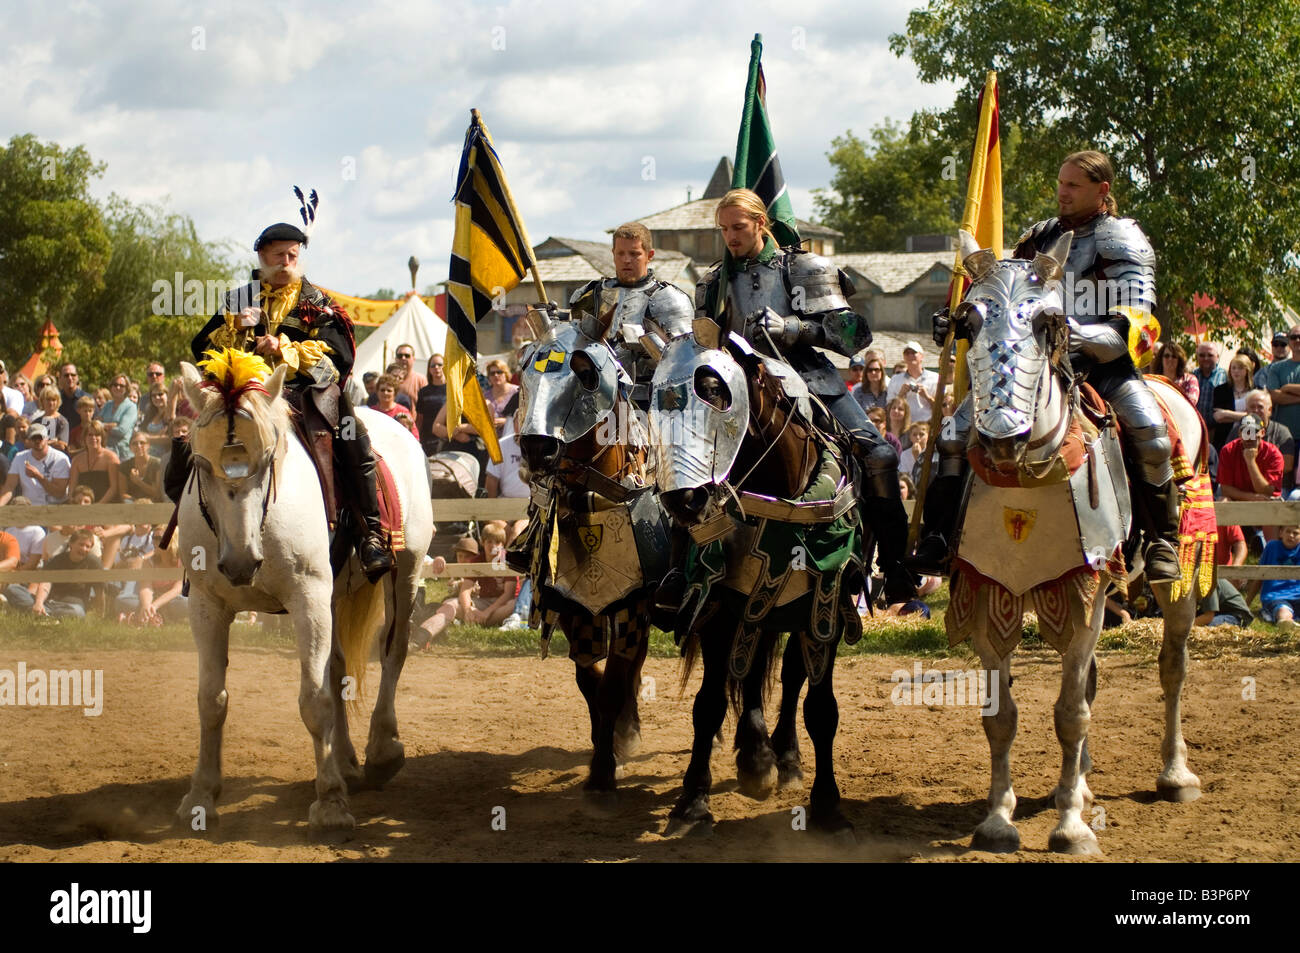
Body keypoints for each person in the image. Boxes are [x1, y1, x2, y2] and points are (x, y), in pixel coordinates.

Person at [924, 149, 1183, 582]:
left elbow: (1139, 323)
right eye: (1061, 183)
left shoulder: (1122, 238)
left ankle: (1162, 542)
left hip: (1103, 366)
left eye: (1073, 185)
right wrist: (961, 318)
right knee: (953, 436)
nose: (1062, 193)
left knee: (1151, 433)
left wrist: (1076, 333)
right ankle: (938, 536)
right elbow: (1003, 295)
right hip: (1033, 365)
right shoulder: (1039, 237)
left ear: (1102, 190)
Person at [693, 188, 914, 602]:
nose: (730, 237)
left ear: (761, 223)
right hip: (738, 388)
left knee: (880, 455)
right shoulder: (714, 282)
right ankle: (685, 571)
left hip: (809, 377)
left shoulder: (801, 268)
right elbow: (701, 342)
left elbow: (855, 334)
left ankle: (896, 566)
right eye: (723, 229)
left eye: (738, 227)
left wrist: (794, 328)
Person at [181, 218, 395, 581]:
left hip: (305, 393)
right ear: (262, 257)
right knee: (186, 445)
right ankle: (191, 537)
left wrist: (284, 347)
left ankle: (370, 534)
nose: (286, 262)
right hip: (247, 398)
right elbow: (202, 351)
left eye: (292, 255)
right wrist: (234, 329)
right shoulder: (238, 300)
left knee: (352, 436)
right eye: (278, 255)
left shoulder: (318, 302)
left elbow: (339, 355)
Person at [14, 528, 103, 619]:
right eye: (81, 544)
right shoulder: (57, 560)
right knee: (13, 589)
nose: (84, 549)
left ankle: (42, 613)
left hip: (73, 606)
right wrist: (39, 603)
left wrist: (100, 613)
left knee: (77, 613)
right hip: (51, 601)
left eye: (88, 546)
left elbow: (99, 590)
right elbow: (45, 584)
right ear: (71, 544)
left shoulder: (93, 562)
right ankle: (41, 610)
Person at [0, 424, 70, 505]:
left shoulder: (60, 459)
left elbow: (59, 494)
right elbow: (9, 487)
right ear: (29, 440)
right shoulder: (20, 458)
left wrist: (38, 476)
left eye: (40, 438)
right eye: (34, 438)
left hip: (56, 507)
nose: (37, 441)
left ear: (47, 438)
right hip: (30, 507)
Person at [1258, 524, 1300, 632]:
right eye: (1288, 531)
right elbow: (1259, 575)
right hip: (1276, 595)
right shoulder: (1272, 547)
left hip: (1297, 595)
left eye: (1295, 533)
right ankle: (1286, 623)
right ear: (1281, 533)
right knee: (1282, 610)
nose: (1291, 535)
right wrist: (1247, 602)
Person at [68, 420, 121, 503]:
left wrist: (98, 505)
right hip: (83, 505)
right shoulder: (77, 460)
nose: (93, 438)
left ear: (102, 437)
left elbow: (114, 488)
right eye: (90, 435)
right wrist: (73, 502)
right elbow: (72, 488)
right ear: (84, 437)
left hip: (106, 504)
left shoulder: (111, 458)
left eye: (97, 435)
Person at [886, 341, 939, 424]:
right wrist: (900, 395)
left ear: (922, 356)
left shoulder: (935, 378)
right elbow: (888, 407)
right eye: (907, 353)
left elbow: (942, 407)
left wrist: (927, 397)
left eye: (914, 353)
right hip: (903, 425)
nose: (910, 356)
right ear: (904, 357)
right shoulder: (895, 379)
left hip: (928, 424)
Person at [1212, 355, 1258, 449]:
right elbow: (1218, 417)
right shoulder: (1220, 390)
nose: (1236, 371)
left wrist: (1226, 413)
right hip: (1224, 437)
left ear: (1247, 370)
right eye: (1233, 368)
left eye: (1240, 368)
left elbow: (1256, 417)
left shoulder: (1256, 391)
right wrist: (1246, 416)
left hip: (1248, 436)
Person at [97, 373, 138, 459]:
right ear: (111, 387)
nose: (118, 387)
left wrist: (103, 425)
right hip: (104, 450)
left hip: (122, 453)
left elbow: (121, 431)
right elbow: (97, 425)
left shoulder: (131, 407)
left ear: (127, 388)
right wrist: (111, 425)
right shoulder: (107, 405)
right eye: (115, 385)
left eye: (121, 386)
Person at [414, 355, 447, 456]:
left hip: (446, 439)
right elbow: (419, 418)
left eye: (440, 365)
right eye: (433, 365)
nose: (436, 367)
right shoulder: (423, 391)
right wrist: (417, 438)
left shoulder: (452, 390)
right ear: (429, 369)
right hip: (427, 439)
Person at [119, 431, 163, 501]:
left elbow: (158, 494)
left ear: (148, 445)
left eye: (142, 443)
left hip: (154, 504)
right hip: (132, 504)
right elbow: (123, 494)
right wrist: (137, 502)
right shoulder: (124, 466)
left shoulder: (158, 464)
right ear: (130, 447)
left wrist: (138, 482)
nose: (139, 446)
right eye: (134, 443)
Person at [1191, 342, 1225, 425]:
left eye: (1210, 355)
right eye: (1202, 355)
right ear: (1197, 357)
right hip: (1195, 427)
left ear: (1217, 357)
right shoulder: (1192, 376)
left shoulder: (1225, 376)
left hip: (1216, 428)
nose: (1206, 358)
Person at [1156, 342, 1198, 408]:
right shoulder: (1154, 381)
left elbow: (1190, 403)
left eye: (1174, 356)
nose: (1170, 359)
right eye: (1166, 356)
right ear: (1161, 359)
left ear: (1179, 360)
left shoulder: (1189, 379)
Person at [28, 386, 70, 453]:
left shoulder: (62, 422)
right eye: (48, 399)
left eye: (53, 400)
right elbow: (29, 444)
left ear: (58, 401)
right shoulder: (36, 422)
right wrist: (53, 442)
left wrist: (41, 443)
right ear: (42, 401)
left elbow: (62, 445)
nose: (51, 403)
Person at [483, 358, 518, 437]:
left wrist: (506, 422)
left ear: (506, 374)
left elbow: (524, 417)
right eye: (492, 373)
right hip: (491, 438)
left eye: (499, 372)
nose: (496, 375)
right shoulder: (485, 396)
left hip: (512, 437)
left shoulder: (517, 392)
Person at [138, 382, 174, 456]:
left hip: (165, 456)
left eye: (160, 394)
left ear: (167, 395)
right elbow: (140, 433)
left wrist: (148, 438)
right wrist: (158, 436)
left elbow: (170, 439)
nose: (157, 397)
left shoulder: (172, 414)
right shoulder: (150, 413)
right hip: (147, 454)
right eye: (153, 395)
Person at [853, 349, 890, 413]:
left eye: (876, 369)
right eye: (870, 370)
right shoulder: (858, 391)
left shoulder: (890, 389)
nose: (873, 373)